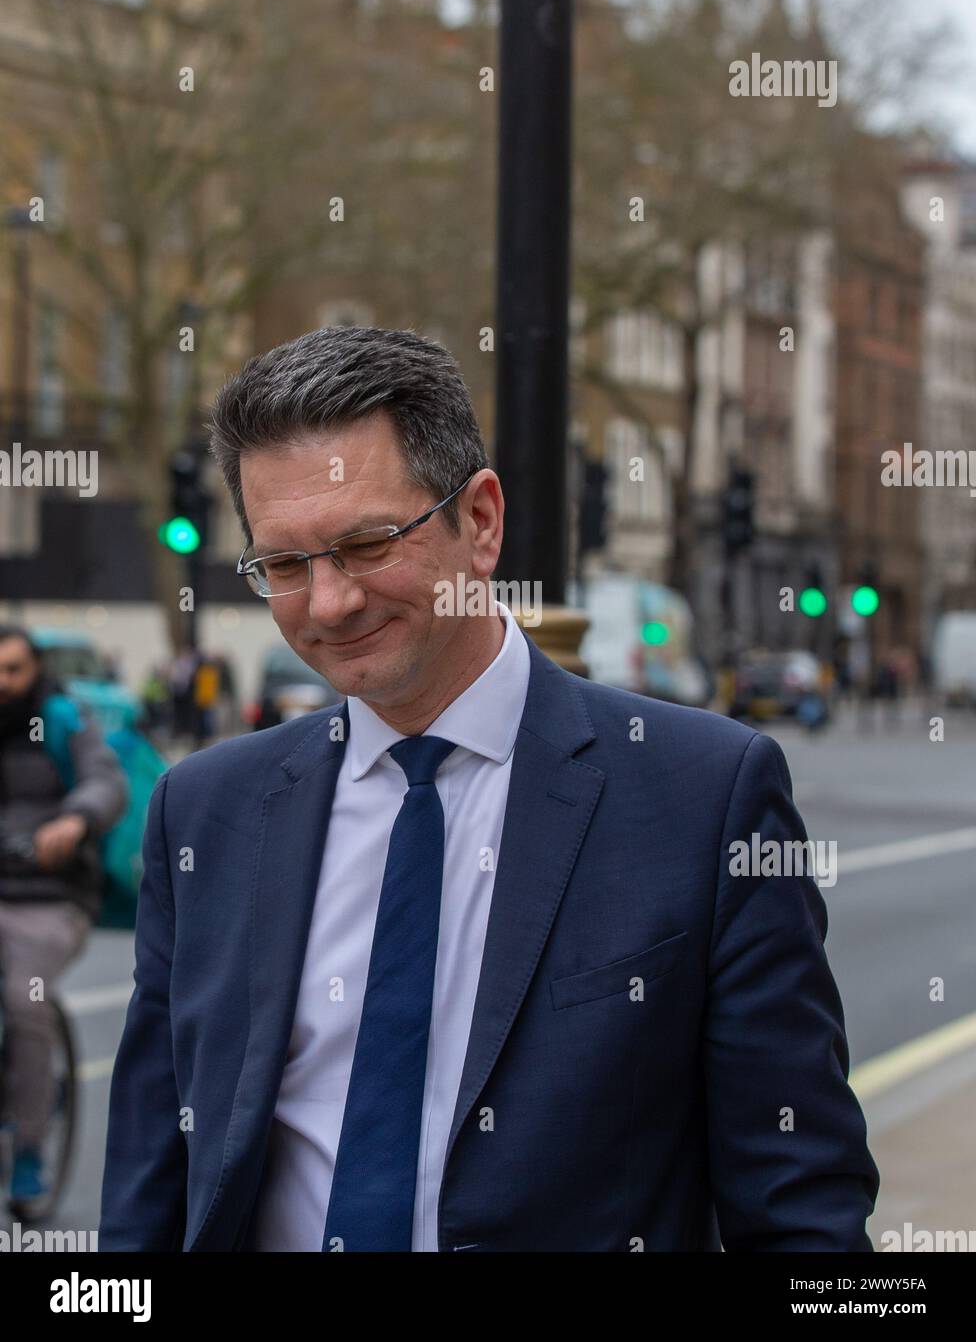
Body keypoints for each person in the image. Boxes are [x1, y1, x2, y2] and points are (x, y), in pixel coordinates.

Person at [99, 326, 879, 1253]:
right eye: (284, 566)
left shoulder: (706, 796)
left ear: (480, 522)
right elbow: (148, 1197)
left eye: (366, 544)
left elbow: (801, 1214)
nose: (329, 602)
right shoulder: (204, 811)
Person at [0, 625, 128, 1200]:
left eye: (13, 670)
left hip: (51, 898)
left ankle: (28, 1148)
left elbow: (107, 780)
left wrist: (76, 820)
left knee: (25, 997)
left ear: (35, 671)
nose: (2, 683)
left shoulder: (62, 718)